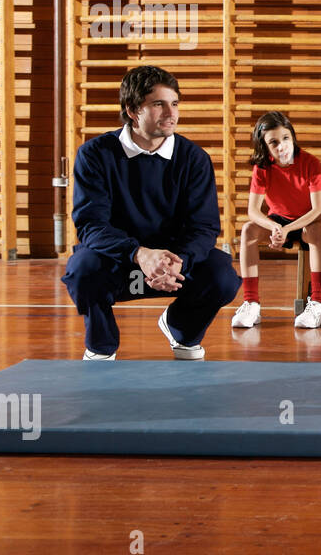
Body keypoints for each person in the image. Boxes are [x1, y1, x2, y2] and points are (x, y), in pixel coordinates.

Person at [61, 65, 240, 360]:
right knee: (81, 270)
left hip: (173, 267)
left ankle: (181, 329)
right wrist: (140, 254)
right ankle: (101, 346)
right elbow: (91, 225)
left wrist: (175, 263)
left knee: (222, 275)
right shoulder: (95, 154)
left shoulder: (194, 159)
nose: (171, 113)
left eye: (174, 103)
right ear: (133, 110)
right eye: (158, 104)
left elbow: (204, 227)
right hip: (119, 262)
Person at [233, 111, 321, 330]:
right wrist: (275, 227)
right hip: (280, 220)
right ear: (264, 146)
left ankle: (318, 303)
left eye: (285, 138)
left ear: (293, 137)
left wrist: (286, 229)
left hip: (310, 218)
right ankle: (251, 302)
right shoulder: (262, 168)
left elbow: (317, 210)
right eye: (274, 143)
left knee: (312, 233)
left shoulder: (310, 162)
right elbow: (253, 211)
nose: (282, 147)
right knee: (249, 230)